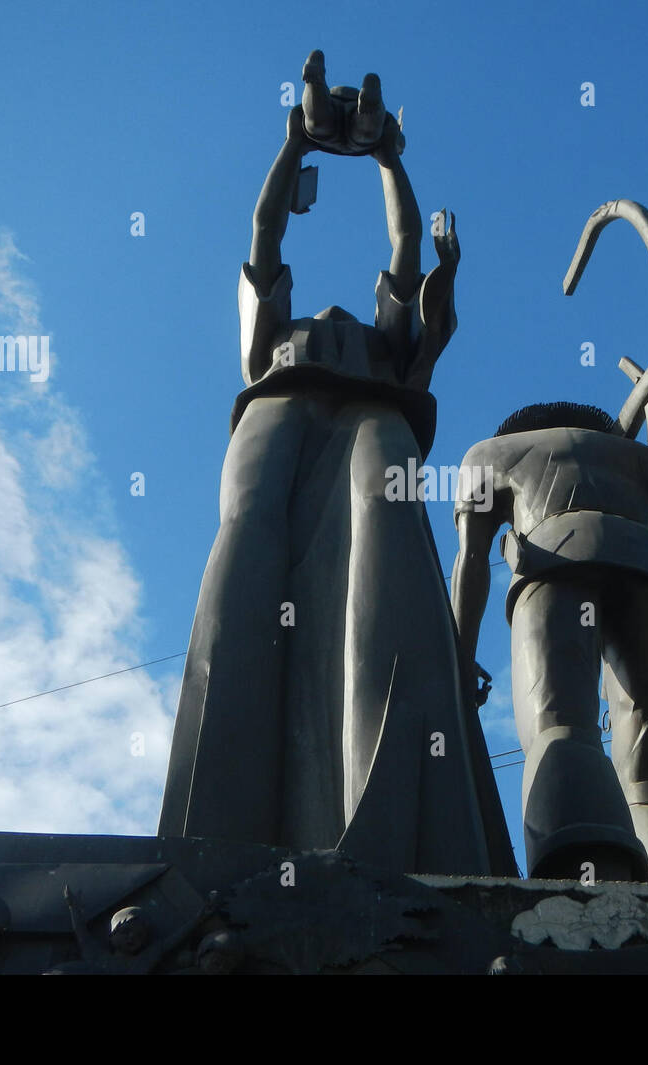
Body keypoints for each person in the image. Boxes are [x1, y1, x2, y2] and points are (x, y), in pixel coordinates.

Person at [158, 52, 515, 878]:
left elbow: (402, 247)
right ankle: (216, 845)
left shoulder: (383, 356)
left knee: (385, 566)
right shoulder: (274, 347)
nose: (331, 310)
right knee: (246, 564)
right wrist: (293, 148)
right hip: (277, 416)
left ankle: (398, 830)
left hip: (371, 421)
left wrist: (391, 159)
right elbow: (264, 234)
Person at [451, 401, 648, 884]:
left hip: (553, 565)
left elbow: (472, 562)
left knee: (559, 734)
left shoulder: (490, 452)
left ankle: (580, 909)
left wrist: (459, 653)